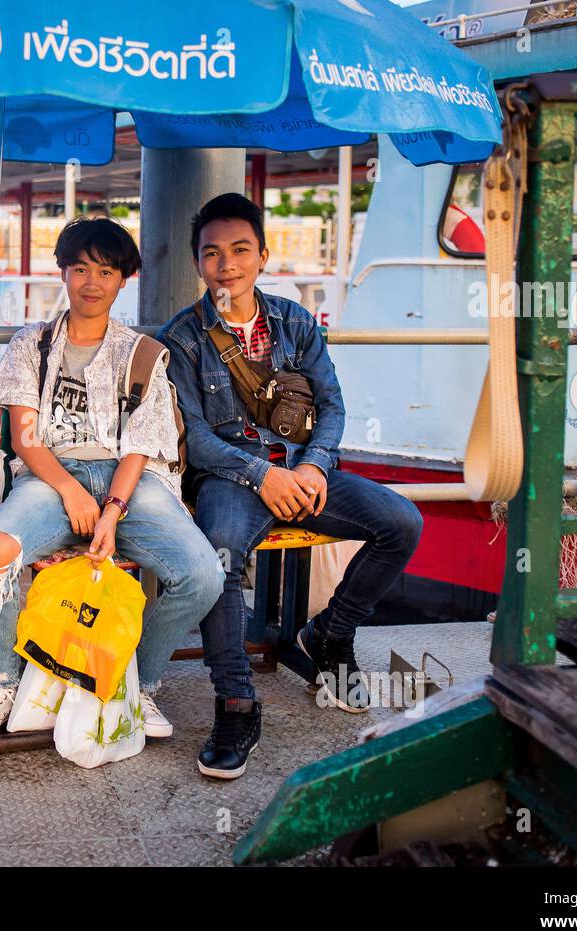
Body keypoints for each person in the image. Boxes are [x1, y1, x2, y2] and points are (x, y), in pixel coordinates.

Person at [159, 193, 423, 780]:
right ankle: (235, 703)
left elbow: (331, 405)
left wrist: (312, 467)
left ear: (262, 256)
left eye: (240, 250)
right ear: (198, 264)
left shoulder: (295, 322)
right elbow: (194, 436)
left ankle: (330, 635)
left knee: (401, 522)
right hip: (232, 477)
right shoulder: (182, 338)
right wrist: (262, 473)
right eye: (212, 253)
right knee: (220, 557)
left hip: (305, 472)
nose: (227, 264)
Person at [0, 217, 223, 739]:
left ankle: (138, 686)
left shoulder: (143, 354)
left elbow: (142, 446)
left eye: (105, 270)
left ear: (124, 279)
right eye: (80, 268)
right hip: (52, 477)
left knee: (203, 574)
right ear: (63, 273)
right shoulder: (30, 345)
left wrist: (112, 512)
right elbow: (26, 438)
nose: (92, 282)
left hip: (132, 483)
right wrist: (72, 490)